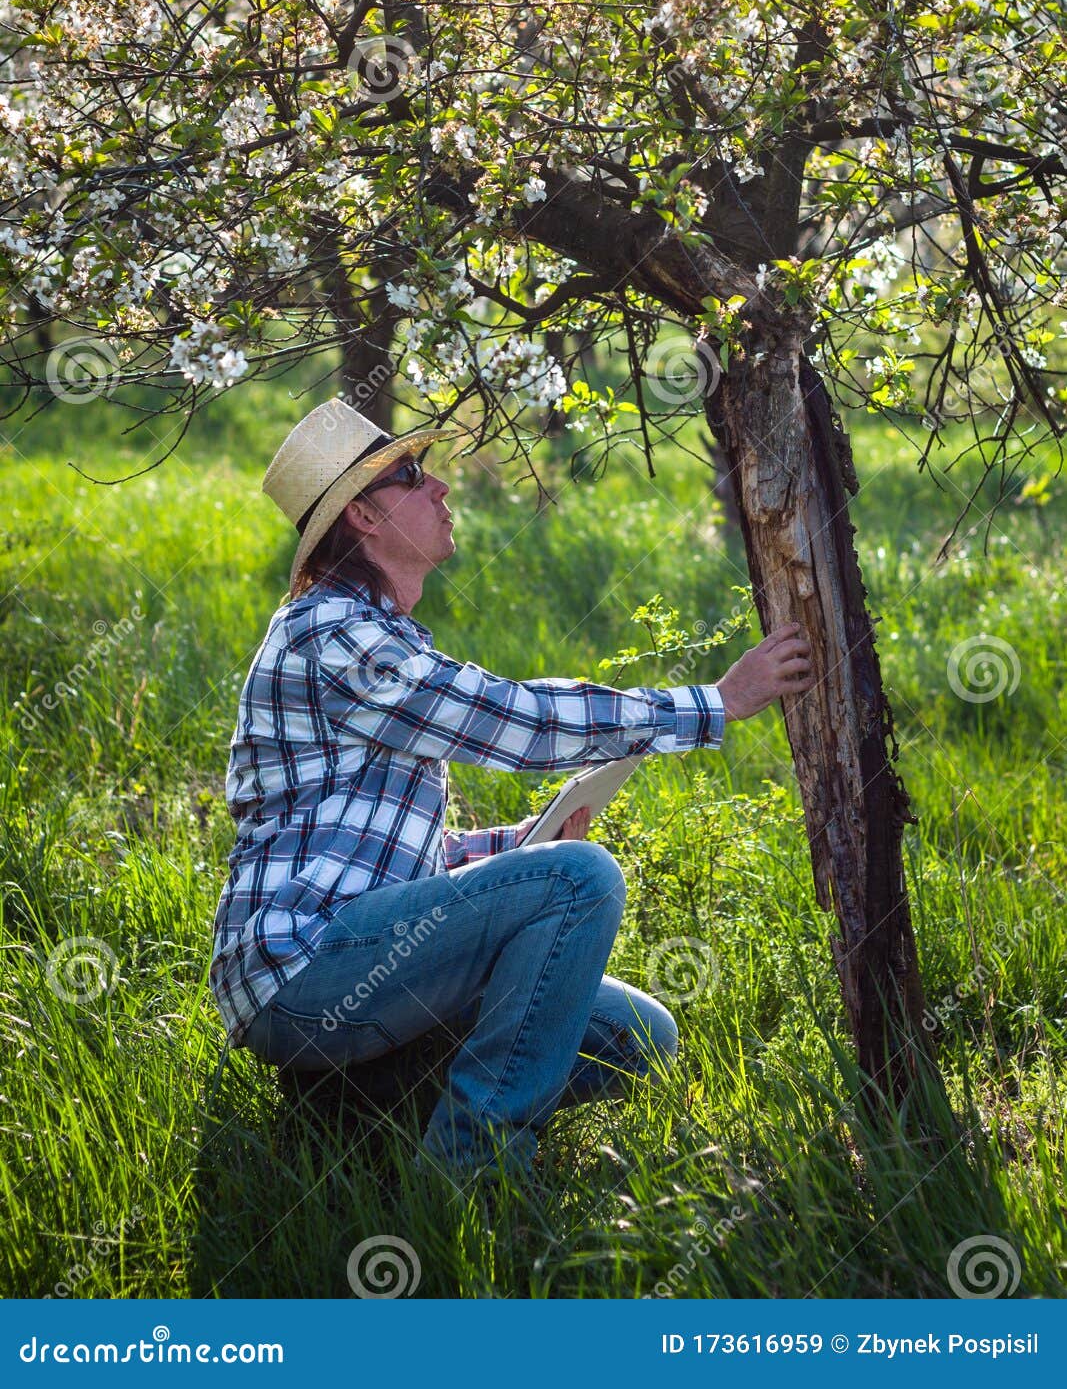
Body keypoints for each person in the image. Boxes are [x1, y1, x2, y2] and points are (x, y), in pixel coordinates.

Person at [209, 399, 813, 1179]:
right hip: (304, 971)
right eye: (411, 476)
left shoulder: (372, 633)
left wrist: (511, 846)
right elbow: (513, 723)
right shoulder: (330, 633)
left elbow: (392, 852)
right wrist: (712, 704)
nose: (440, 489)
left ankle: (362, 1106)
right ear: (361, 515)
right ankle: (470, 1173)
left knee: (638, 1038)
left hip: (363, 957)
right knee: (578, 882)